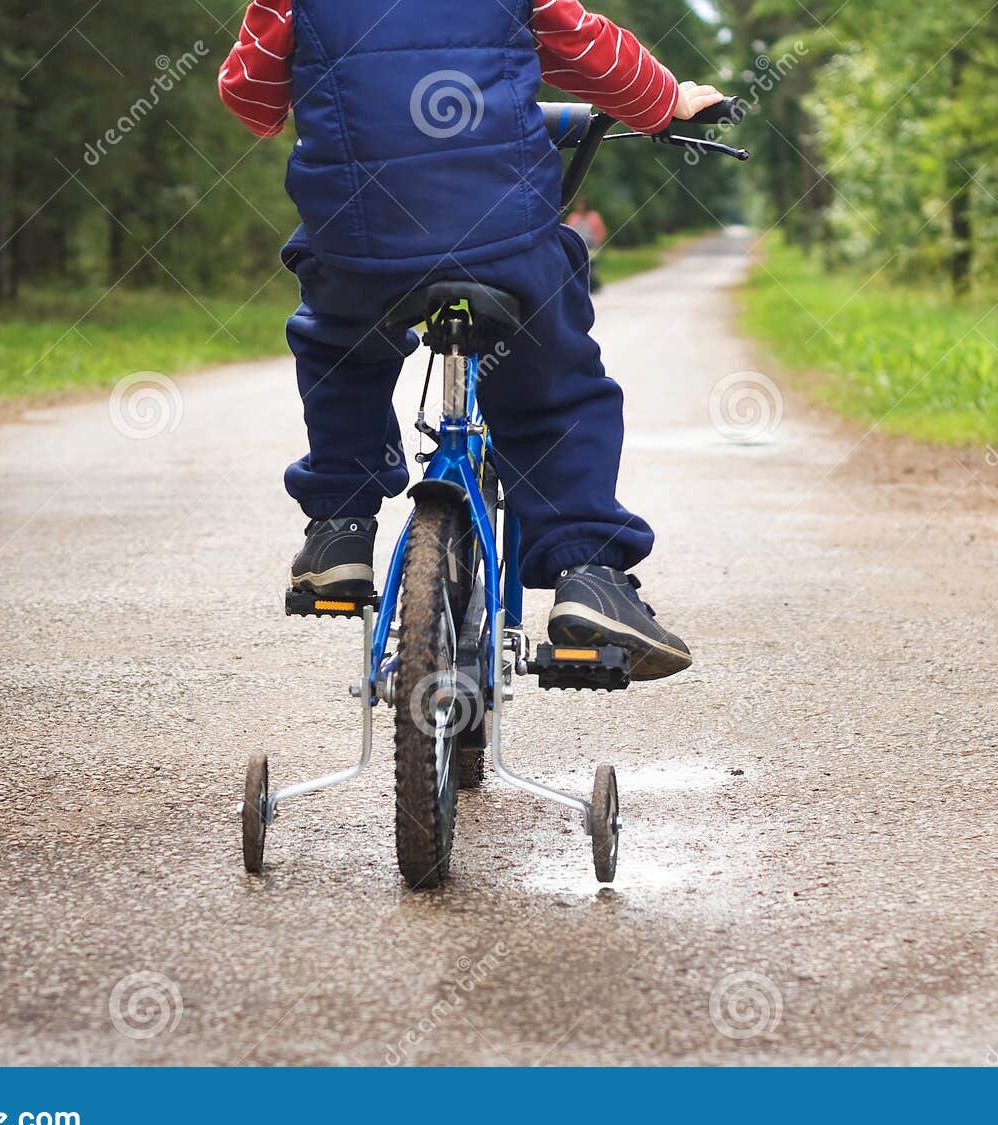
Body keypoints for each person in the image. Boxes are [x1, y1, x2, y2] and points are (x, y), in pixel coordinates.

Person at [218, 0, 724, 680]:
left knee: (340, 350)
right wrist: (666, 104)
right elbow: (591, 49)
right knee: (557, 388)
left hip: (356, 249)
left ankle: (339, 525)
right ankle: (587, 571)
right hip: (504, 243)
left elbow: (249, 98)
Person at [565, 198, 607, 290]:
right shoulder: (573, 217)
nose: (579, 207)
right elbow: (567, 232)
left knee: (591, 266)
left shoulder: (594, 216)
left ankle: (593, 285)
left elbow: (601, 230)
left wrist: (598, 242)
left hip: (591, 245)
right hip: (577, 246)